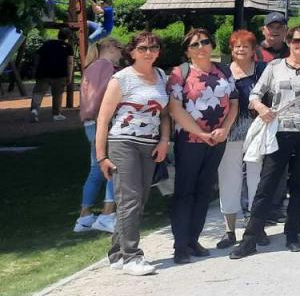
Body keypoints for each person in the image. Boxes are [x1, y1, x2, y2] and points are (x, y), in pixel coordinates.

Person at [231, 25, 300, 258]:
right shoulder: (275, 67)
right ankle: (250, 238)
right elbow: (255, 94)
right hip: (281, 131)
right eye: (296, 40)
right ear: (288, 42)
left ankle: (293, 233)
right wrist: (262, 108)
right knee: (267, 184)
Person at [95, 31, 170, 276]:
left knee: (139, 200)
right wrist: (101, 156)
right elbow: (103, 119)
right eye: (143, 48)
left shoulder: (160, 76)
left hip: (149, 144)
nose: (149, 52)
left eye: (153, 48)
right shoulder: (121, 79)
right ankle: (132, 257)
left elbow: (165, 114)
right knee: (129, 199)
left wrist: (164, 141)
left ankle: (117, 253)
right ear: (132, 52)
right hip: (123, 143)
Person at [166, 28, 236, 264]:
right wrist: (201, 133)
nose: (201, 47)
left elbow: (234, 103)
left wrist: (225, 129)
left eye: (205, 42)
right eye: (194, 44)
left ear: (212, 45)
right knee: (185, 192)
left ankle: (193, 239)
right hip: (190, 141)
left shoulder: (224, 71)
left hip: (217, 140)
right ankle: (180, 245)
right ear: (187, 51)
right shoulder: (180, 73)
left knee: (204, 191)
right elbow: (175, 109)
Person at [216, 30, 267, 249]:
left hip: (257, 130)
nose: (241, 49)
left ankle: (256, 228)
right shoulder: (222, 72)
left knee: (257, 179)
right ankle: (229, 230)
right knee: (229, 178)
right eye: (237, 45)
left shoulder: (263, 70)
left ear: (253, 49)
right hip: (230, 130)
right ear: (231, 49)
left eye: (246, 45)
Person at [75, 37, 122, 234]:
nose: (121, 54)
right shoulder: (105, 66)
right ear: (111, 48)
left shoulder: (92, 67)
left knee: (96, 168)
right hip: (101, 122)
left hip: (90, 123)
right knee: (112, 165)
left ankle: (84, 216)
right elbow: (101, 95)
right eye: (120, 49)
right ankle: (107, 214)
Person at [30, 28, 74, 122]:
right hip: (60, 74)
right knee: (57, 94)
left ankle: (34, 110)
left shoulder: (47, 43)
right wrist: (69, 76)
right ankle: (56, 114)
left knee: (38, 92)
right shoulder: (68, 47)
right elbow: (70, 62)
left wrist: (35, 69)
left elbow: (38, 56)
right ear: (68, 37)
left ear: (58, 34)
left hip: (43, 72)